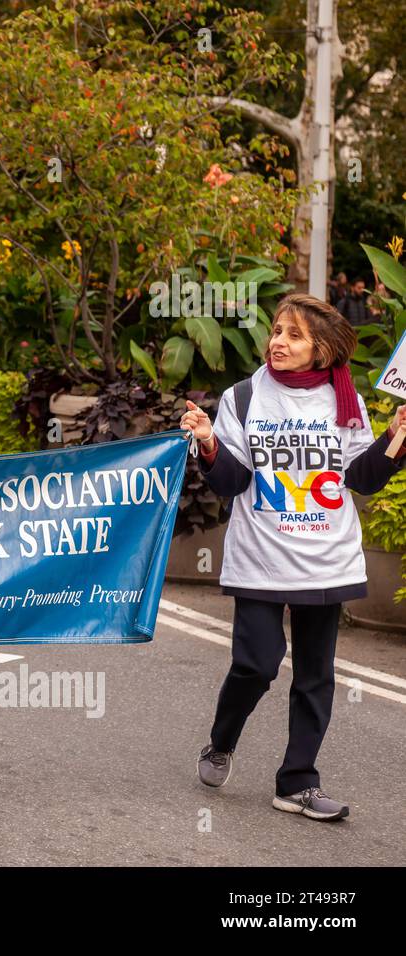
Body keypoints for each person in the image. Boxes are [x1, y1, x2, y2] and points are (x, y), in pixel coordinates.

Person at [183, 292, 406, 822]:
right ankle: (221, 739)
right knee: (256, 665)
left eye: (293, 335)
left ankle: (298, 782)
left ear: (322, 350)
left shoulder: (344, 403)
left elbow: (364, 478)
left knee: (315, 674)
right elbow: (234, 482)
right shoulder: (242, 397)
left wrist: (397, 438)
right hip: (261, 556)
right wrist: (210, 443)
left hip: (327, 557)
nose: (277, 342)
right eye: (277, 331)